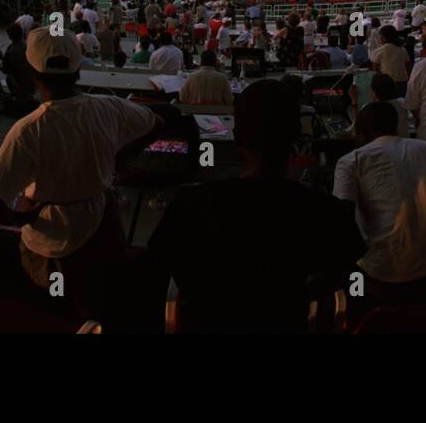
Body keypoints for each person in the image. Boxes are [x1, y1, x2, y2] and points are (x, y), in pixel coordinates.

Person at [149, 79, 364, 333]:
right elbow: (348, 264)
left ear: (237, 135)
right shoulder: (323, 211)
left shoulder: (189, 206)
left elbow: (154, 273)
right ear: (296, 135)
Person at [0, 29, 161, 318]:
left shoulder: (28, 130)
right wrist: (117, 159)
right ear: (77, 69)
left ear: (32, 72)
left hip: (50, 247)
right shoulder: (109, 108)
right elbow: (157, 123)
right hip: (102, 229)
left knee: (59, 307)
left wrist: (20, 218)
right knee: (97, 302)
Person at [334, 101, 426, 307]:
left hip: (384, 275)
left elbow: (343, 221)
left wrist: (359, 260)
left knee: (349, 281)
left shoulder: (350, 161)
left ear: (361, 134)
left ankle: (359, 309)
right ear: (395, 127)